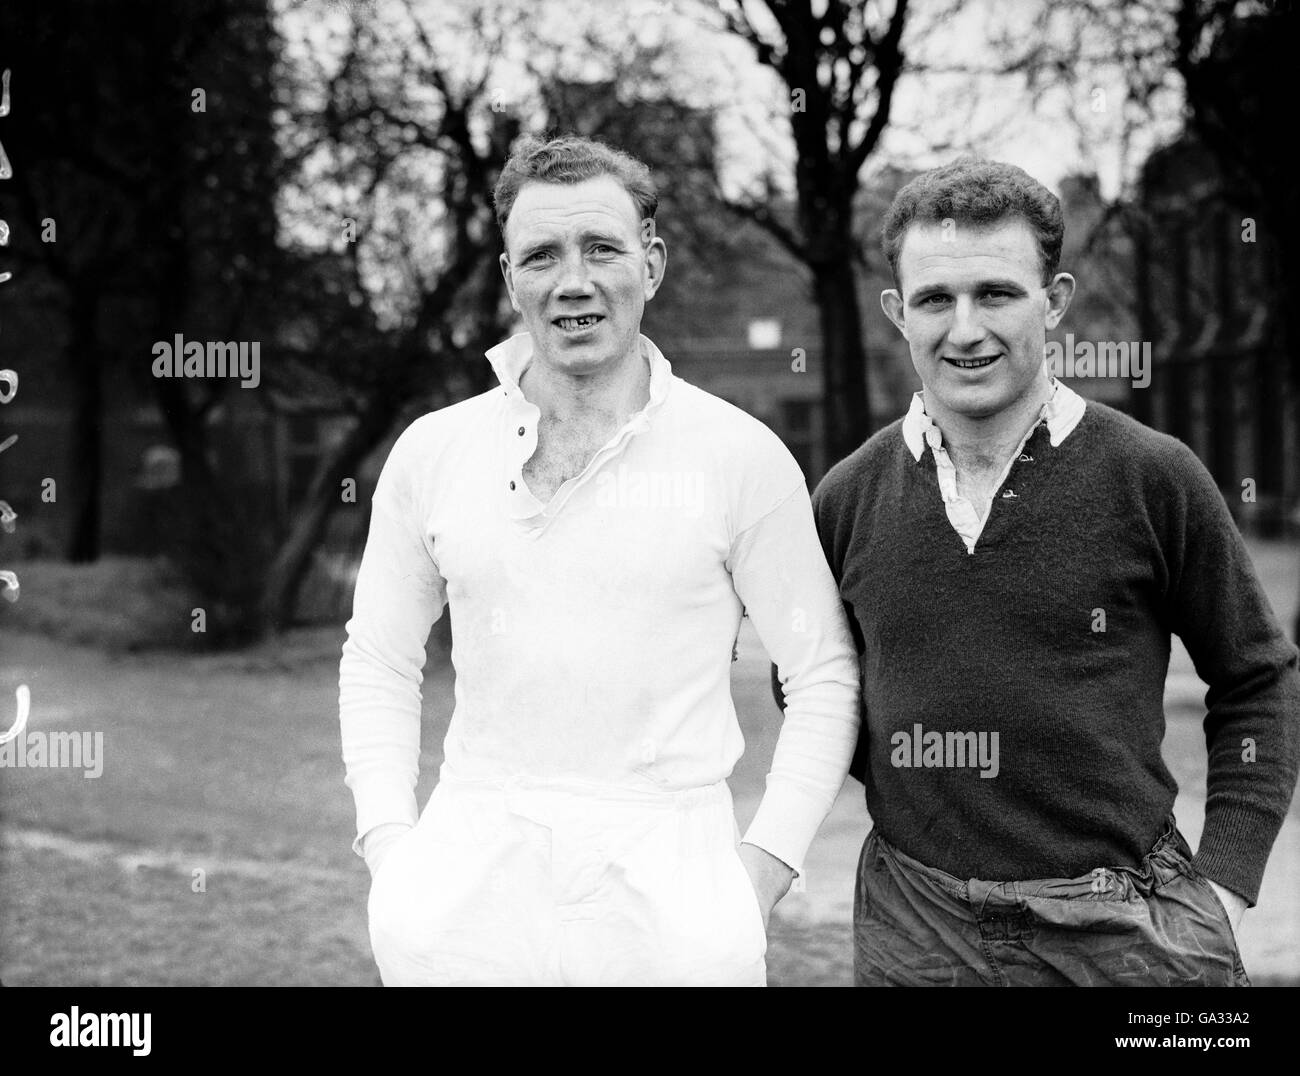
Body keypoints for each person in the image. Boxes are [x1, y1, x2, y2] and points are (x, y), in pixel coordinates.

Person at [339, 135, 860, 986]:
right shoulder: (434, 452)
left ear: (650, 265)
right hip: (466, 903)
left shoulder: (739, 456)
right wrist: (392, 852)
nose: (572, 281)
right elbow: (379, 661)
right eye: (541, 255)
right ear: (511, 277)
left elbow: (825, 673)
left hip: (670, 899)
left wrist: (758, 875)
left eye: (602, 249)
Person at [782, 158, 1300, 986]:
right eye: (935, 301)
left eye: (996, 293)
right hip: (915, 925)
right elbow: (807, 680)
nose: (965, 330)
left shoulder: (1152, 475)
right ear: (897, 313)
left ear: (1053, 301)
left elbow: (1258, 678)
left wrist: (1227, 883)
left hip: (1125, 927)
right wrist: (925, 784)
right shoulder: (846, 498)